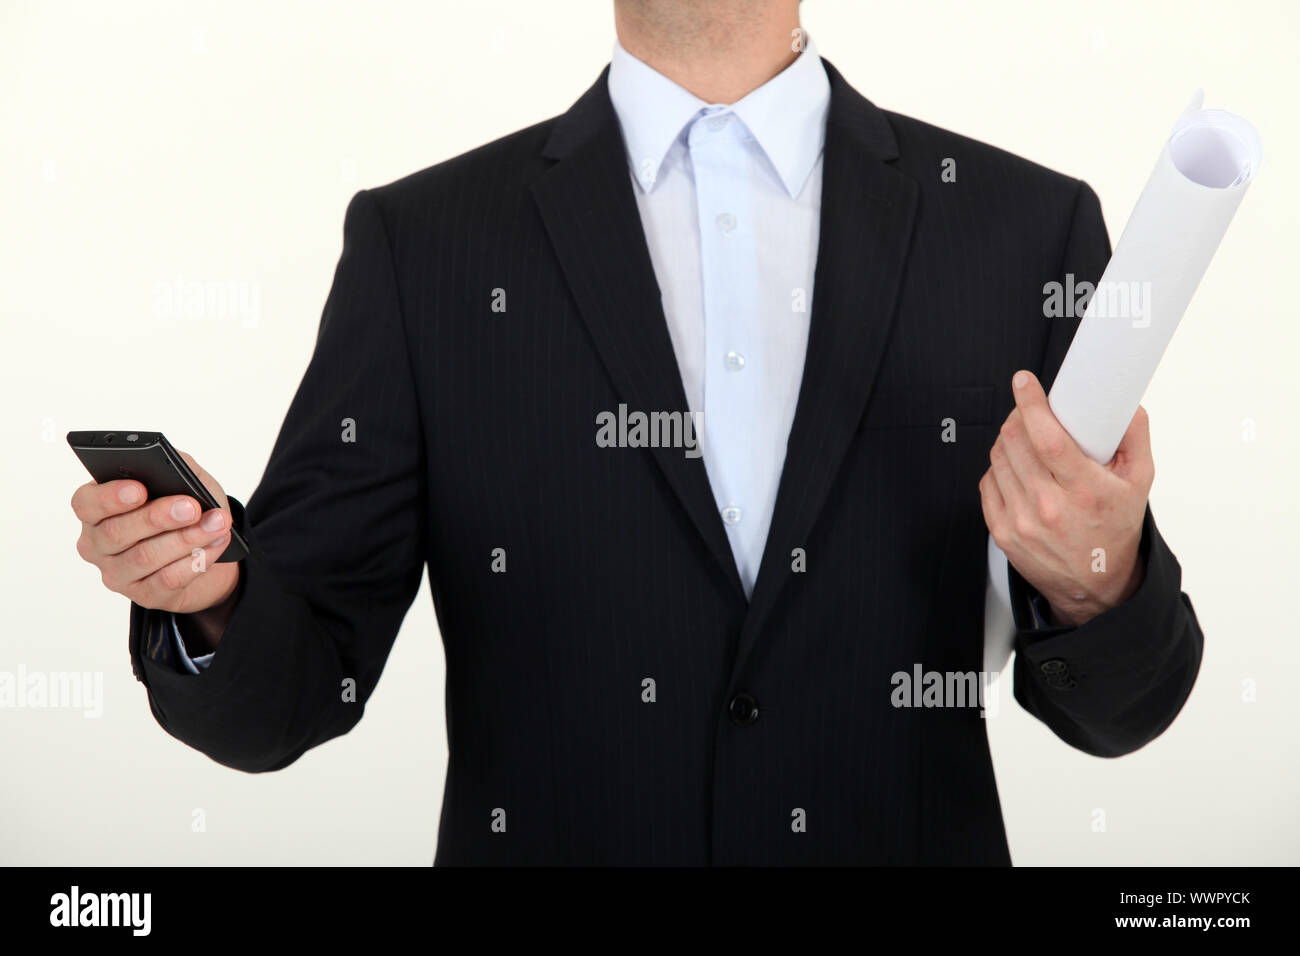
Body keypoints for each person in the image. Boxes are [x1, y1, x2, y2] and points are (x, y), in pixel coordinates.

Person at [70, 0, 1203, 865]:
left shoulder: (1023, 227)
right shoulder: (423, 246)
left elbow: (1120, 711)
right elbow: (294, 690)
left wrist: (1099, 577)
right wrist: (208, 594)